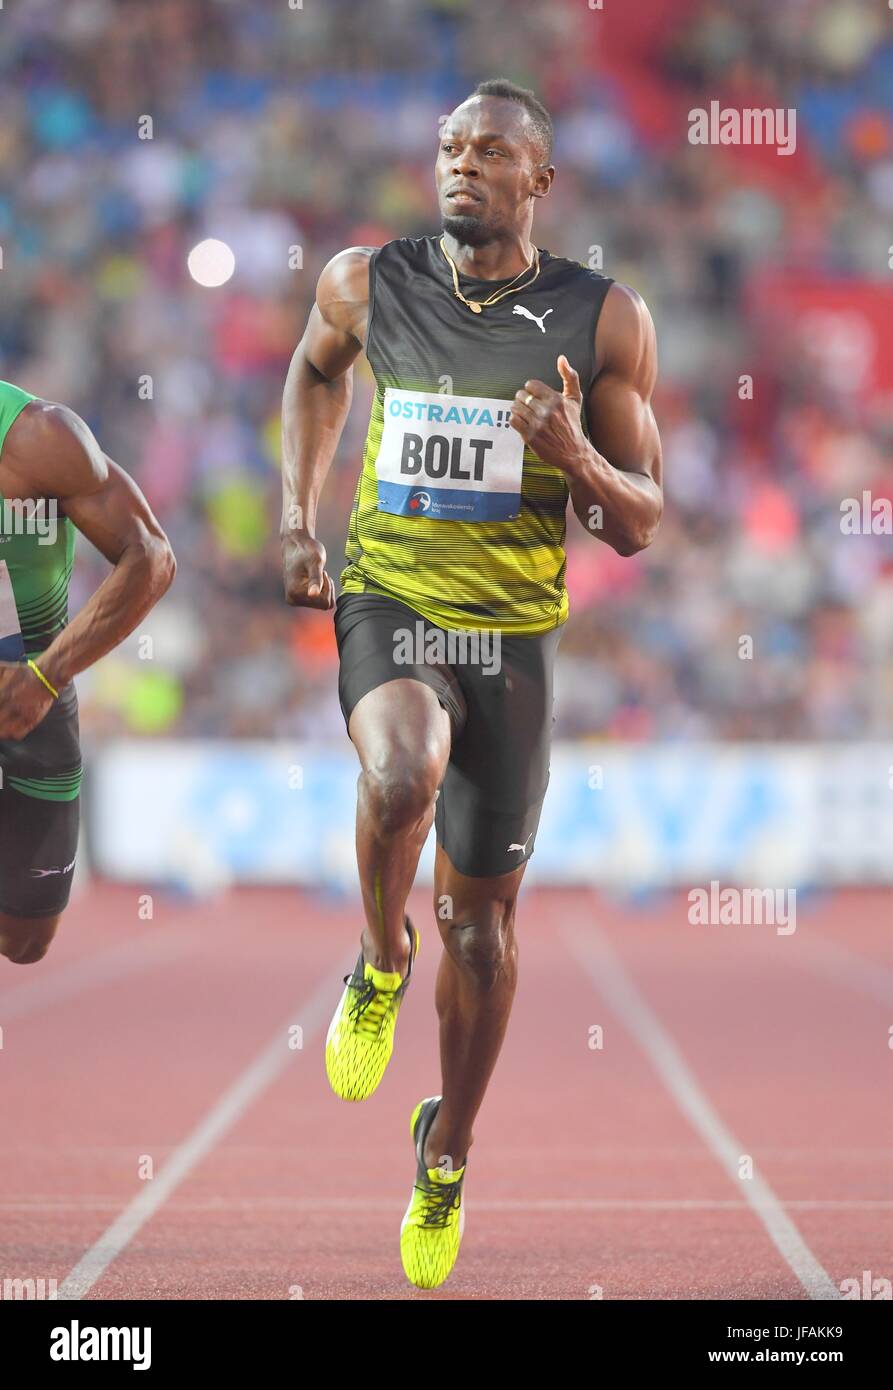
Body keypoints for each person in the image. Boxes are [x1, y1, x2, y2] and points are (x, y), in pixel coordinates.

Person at [280, 78, 662, 1289]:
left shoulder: (602, 321)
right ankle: (378, 962)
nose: (459, 166)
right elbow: (312, 372)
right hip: (390, 602)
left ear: (538, 179)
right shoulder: (366, 280)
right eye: (448, 147)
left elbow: (642, 523)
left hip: (511, 643)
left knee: (483, 934)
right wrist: (298, 518)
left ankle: (444, 1151)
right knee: (399, 773)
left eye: (488, 152)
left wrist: (575, 455)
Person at [0, 381, 176, 964]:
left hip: (28, 696)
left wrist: (47, 676)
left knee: (26, 939)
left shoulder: (38, 437)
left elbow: (151, 555)